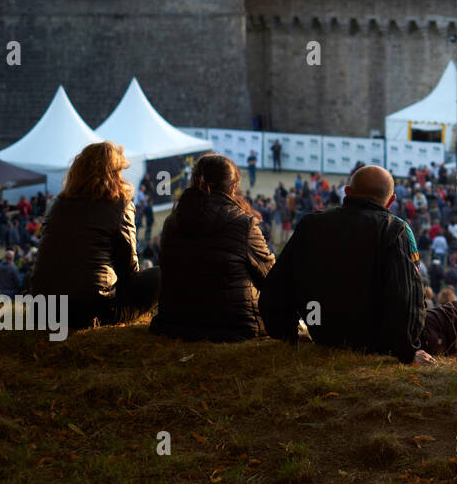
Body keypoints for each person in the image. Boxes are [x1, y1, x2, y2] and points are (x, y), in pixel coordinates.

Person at [260, 165, 428, 362]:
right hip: (375, 343)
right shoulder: (394, 230)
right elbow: (406, 300)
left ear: (347, 192)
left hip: (322, 334)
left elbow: (275, 288)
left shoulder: (310, 224)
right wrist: (407, 350)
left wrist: (287, 335)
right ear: (391, 202)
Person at [31, 141, 161, 330]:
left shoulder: (56, 204)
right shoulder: (120, 206)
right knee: (161, 275)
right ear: (114, 173)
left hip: (43, 310)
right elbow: (129, 272)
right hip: (91, 312)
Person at [150, 154, 276, 342]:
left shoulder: (171, 222)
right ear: (233, 187)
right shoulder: (244, 224)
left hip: (175, 322)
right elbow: (272, 279)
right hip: (234, 326)